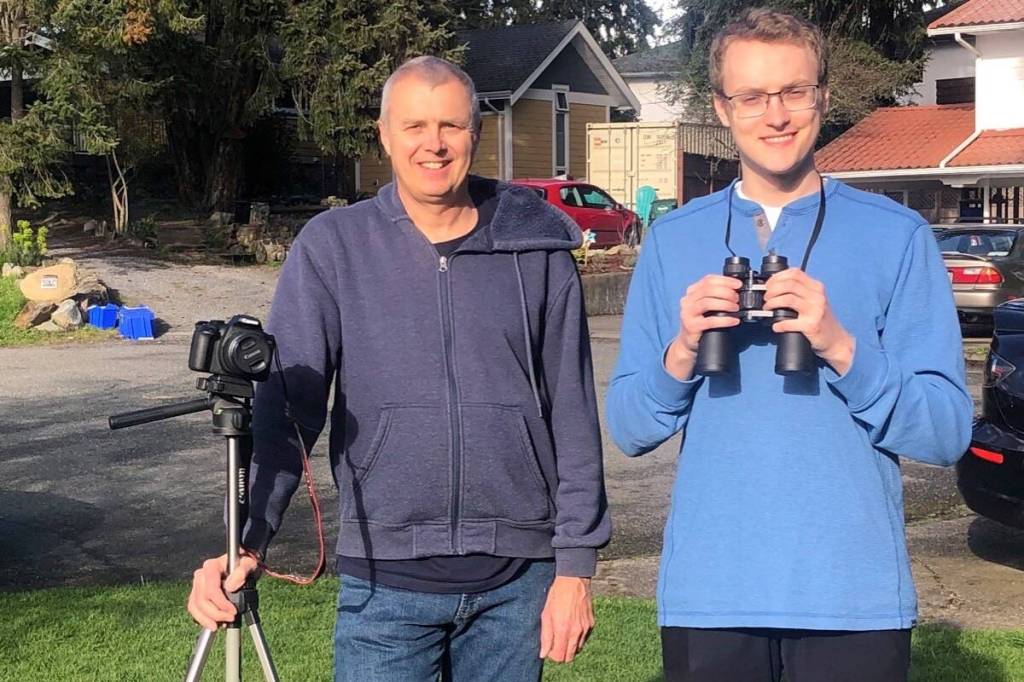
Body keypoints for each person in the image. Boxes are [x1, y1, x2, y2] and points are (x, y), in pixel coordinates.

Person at [187, 56, 610, 681]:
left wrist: (574, 565)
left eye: (451, 126)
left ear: (476, 134)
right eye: (414, 126)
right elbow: (288, 412)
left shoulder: (537, 248)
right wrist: (247, 539)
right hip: (384, 585)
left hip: (517, 586)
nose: (433, 144)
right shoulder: (333, 247)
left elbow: (572, 412)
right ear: (384, 134)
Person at [606, 8, 972, 682]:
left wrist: (841, 346)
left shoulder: (897, 236)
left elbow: (946, 432)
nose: (774, 114)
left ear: (823, 98)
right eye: (751, 95)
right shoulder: (674, 240)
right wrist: (684, 349)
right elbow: (629, 427)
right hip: (712, 596)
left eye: (793, 91)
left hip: (851, 597)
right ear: (723, 107)